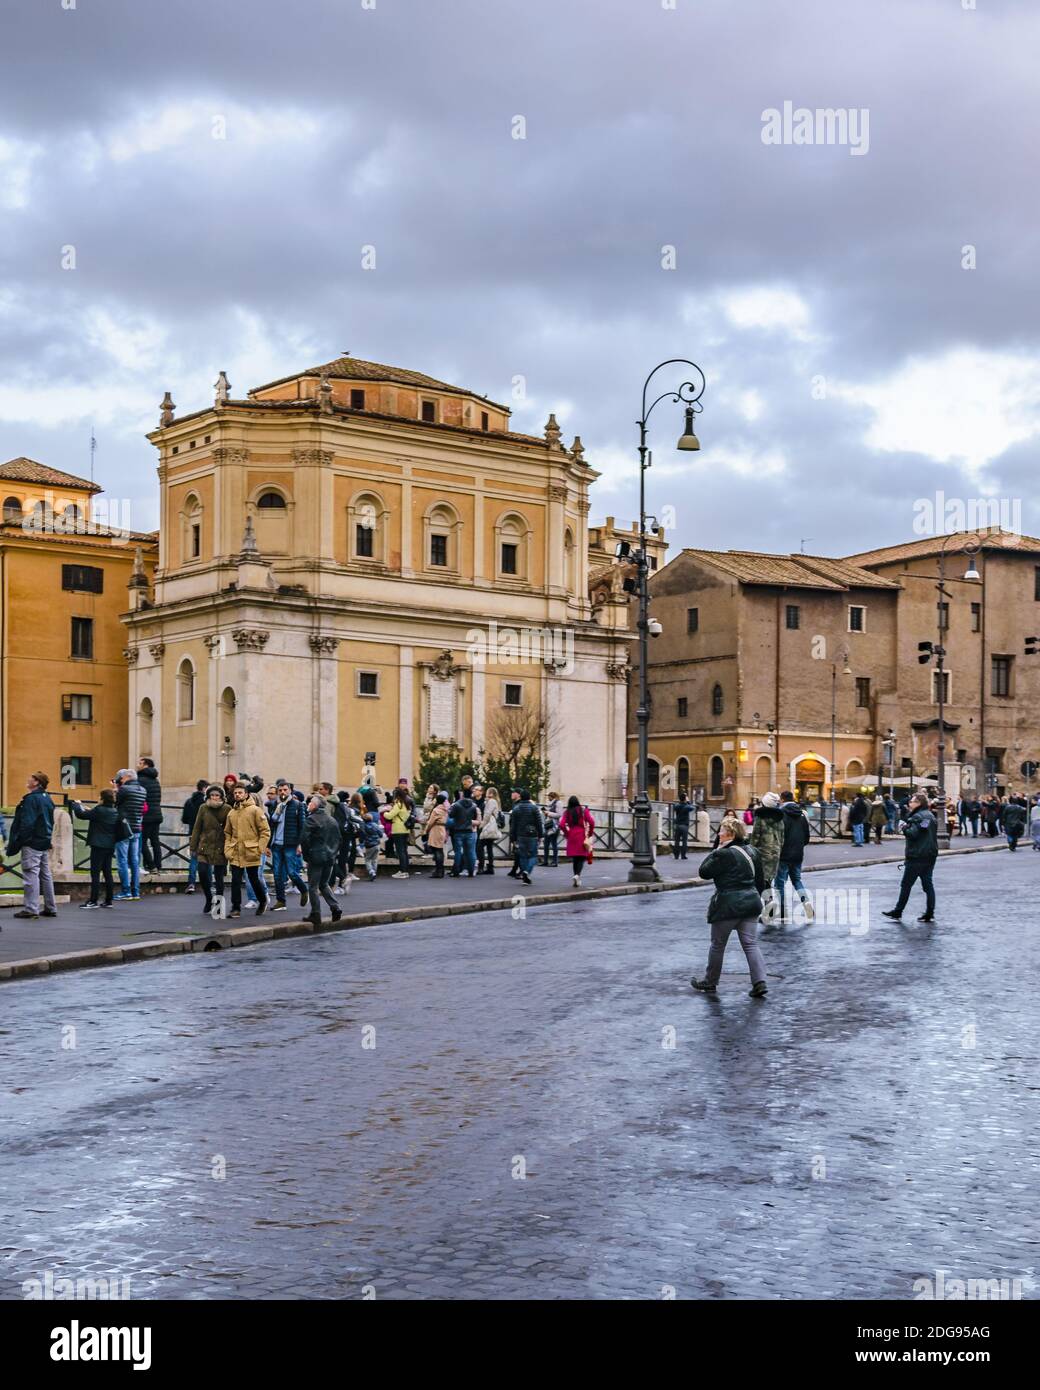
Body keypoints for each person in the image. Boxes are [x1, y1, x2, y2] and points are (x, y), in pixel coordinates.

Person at [691, 817, 768, 998]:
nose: (719, 834)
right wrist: (753, 897)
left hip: (727, 905)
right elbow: (760, 881)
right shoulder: (753, 852)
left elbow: (704, 872)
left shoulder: (723, 854)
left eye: (722, 831)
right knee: (750, 944)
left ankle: (710, 982)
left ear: (731, 834)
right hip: (751, 903)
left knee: (718, 945)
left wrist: (716, 850)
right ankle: (760, 981)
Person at [8, 771, 57, 920]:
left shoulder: (31, 800)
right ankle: (50, 907)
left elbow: (28, 822)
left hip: (32, 841)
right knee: (45, 875)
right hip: (43, 840)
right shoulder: (47, 798)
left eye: (31, 778)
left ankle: (31, 908)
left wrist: (23, 839)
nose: (28, 780)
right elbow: (51, 819)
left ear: (36, 782)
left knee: (30, 874)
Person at [883, 792, 938, 923]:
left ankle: (898, 911)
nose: (909, 803)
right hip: (930, 855)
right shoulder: (929, 816)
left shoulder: (917, 817)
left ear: (918, 803)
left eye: (912, 801)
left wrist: (903, 827)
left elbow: (913, 834)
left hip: (916, 855)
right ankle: (930, 912)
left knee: (906, 885)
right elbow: (924, 830)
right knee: (928, 885)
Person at [224, 783, 270, 918]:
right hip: (236, 851)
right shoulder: (231, 813)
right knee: (236, 880)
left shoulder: (255, 810)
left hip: (251, 851)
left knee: (253, 879)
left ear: (246, 794)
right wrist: (228, 849)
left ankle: (262, 901)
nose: (237, 795)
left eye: (240, 792)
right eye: (235, 793)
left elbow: (265, 831)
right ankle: (235, 908)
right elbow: (227, 833)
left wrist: (260, 848)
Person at [70, 789, 120, 908]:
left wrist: (77, 805)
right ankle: (108, 900)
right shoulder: (114, 811)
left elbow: (81, 815)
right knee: (107, 873)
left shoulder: (99, 810)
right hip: (110, 845)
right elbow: (97, 815)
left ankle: (93, 901)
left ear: (102, 799)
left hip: (98, 845)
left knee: (95, 873)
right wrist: (90, 810)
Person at [300, 792, 343, 926]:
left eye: (310, 803)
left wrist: (307, 856)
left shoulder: (311, 819)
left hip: (316, 857)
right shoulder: (332, 820)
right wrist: (333, 854)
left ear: (315, 806)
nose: (308, 804)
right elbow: (339, 839)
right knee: (323, 884)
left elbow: (304, 839)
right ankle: (335, 907)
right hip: (329, 858)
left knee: (313, 886)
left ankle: (316, 914)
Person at [268, 781, 309, 910]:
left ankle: (304, 890)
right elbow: (270, 825)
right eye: (280, 790)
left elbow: (302, 826)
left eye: (285, 790)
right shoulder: (274, 804)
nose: (282, 792)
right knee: (277, 874)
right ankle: (281, 902)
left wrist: (300, 845)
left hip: (290, 844)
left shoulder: (298, 805)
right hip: (276, 844)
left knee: (292, 872)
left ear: (290, 790)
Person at [774, 790, 813, 923]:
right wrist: (799, 846)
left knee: (780, 883)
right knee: (797, 880)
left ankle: (783, 911)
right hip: (798, 854)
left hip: (783, 854)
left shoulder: (780, 814)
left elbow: (778, 835)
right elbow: (807, 837)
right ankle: (807, 907)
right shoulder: (802, 813)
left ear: (782, 799)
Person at [190, 785, 230, 913]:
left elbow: (231, 829)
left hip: (220, 846)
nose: (214, 797)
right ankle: (208, 898)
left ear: (221, 797)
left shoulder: (227, 809)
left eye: (217, 795)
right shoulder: (203, 808)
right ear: (208, 796)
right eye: (212, 795)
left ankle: (218, 904)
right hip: (204, 845)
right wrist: (193, 846)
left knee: (219, 877)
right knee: (202, 872)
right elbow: (197, 828)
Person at [749, 791, 785, 920]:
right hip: (775, 853)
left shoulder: (760, 818)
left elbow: (755, 837)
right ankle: (769, 909)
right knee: (768, 882)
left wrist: (750, 850)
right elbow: (782, 837)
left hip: (762, 854)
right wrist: (778, 849)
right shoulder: (779, 818)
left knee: (761, 883)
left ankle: (769, 909)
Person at [114, 768, 145, 900]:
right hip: (137, 827)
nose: (120, 780)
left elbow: (116, 804)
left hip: (124, 828)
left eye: (121, 778)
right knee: (134, 861)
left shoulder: (124, 790)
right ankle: (135, 891)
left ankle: (125, 891)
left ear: (126, 777)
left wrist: (116, 789)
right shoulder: (143, 790)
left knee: (122, 860)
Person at [509, 789, 543, 885]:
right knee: (533, 855)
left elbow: (513, 825)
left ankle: (524, 873)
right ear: (529, 797)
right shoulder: (534, 808)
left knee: (522, 855)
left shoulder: (516, 809)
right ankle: (527, 871)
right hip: (532, 835)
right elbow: (539, 823)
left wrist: (513, 838)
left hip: (520, 835)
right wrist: (541, 835)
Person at [180, 779, 208, 893]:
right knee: (207, 859)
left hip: (193, 833)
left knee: (194, 859)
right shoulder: (206, 802)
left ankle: (191, 884)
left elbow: (184, 819)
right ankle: (208, 884)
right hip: (206, 833)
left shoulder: (189, 801)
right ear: (204, 788)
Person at [137, 757, 164, 873]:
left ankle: (151, 866)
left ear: (146, 765)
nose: (138, 765)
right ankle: (158, 866)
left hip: (146, 815)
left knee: (141, 842)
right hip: (157, 814)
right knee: (155, 842)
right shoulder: (155, 780)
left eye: (140, 763)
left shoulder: (140, 779)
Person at [561, 795, 594, 887]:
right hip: (581, 835)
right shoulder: (583, 810)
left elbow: (562, 824)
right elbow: (591, 822)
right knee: (582, 857)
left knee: (575, 858)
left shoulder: (567, 812)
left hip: (572, 835)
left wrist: (567, 833)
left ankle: (576, 876)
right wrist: (590, 833)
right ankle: (577, 875)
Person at [448, 786, 479, 877]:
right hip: (469, 831)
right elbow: (474, 817)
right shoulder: (473, 806)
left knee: (458, 852)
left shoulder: (457, 805)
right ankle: (471, 871)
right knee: (470, 852)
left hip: (458, 831)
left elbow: (451, 815)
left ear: (463, 795)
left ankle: (456, 871)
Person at [387, 787, 413, 879]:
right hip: (405, 829)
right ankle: (405, 871)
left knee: (400, 851)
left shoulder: (399, 804)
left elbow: (390, 816)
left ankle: (402, 871)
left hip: (398, 829)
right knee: (404, 851)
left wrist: (385, 812)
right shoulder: (406, 804)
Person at [478, 786, 504, 874]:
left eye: (488, 792)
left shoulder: (492, 801)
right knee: (489, 847)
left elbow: (487, 815)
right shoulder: (496, 801)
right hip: (492, 827)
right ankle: (490, 867)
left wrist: (481, 825)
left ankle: (481, 866)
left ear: (491, 793)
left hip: (489, 826)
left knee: (479, 846)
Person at [424, 792, 449, 877]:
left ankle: (438, 871)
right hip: (443, 829)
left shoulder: (436, 810)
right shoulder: (445, 809)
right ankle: (441, 870)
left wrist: (426, 830)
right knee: (440, 850)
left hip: (436, 829)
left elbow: (431, 822)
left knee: (437, 850)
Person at [358, 811, 385, 880]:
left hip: (369, 845)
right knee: (375, 860)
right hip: (377, 844)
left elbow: (362, 836)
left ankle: (371, 871)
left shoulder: (364, 826)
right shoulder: (375, 825)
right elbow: (381, 834)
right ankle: (374, 873)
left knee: (367, 859)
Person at [542, 792, 561, 867]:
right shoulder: (550, 804)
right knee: (546, 843)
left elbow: (559, 815)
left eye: (549, 797)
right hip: (548, 825)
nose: (548, 798)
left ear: (552, 797)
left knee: (553, 843)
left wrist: (548, 813)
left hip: (554, 826)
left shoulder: (558, 803)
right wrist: (546, 812)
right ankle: (545, 861)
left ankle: (555, 862)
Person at [672, 793, 693, 859]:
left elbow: (674, 807)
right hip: (684, 825)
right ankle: (683, 855)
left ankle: (676, 855)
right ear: (685, 799)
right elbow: (692, 808)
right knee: (684, 841)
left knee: (676, 841)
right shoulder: (687, 806)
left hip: (677, 825)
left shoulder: (676, 806)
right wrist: (688, 801)